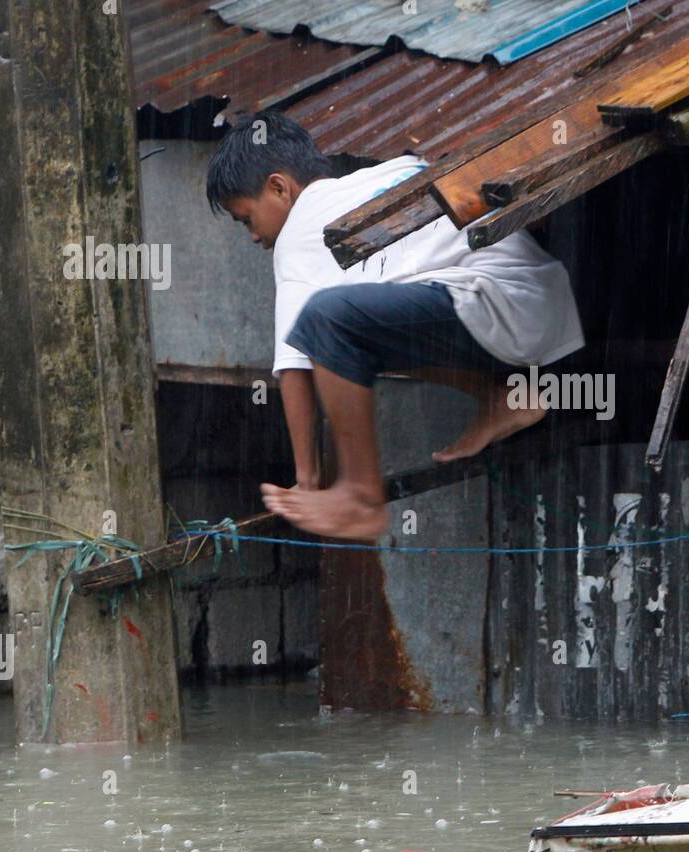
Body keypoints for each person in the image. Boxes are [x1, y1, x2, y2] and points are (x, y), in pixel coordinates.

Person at [206, 111, 584, 540]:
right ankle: (503, 397)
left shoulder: (297, 235)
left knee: (325, 320)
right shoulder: (390, 172)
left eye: (246, 219)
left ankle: (359, 497)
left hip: (496, 303)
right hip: (546, 301)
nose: (253, 236)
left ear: (279, 187)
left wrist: (308, 481)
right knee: (357, 343)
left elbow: (295, 364)